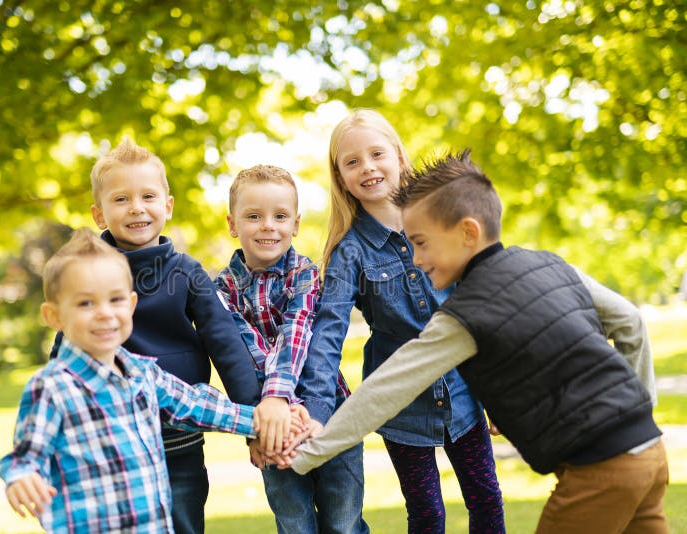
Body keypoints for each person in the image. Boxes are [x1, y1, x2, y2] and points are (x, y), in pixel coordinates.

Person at [287, 149, 669, 533]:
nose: (415, 259)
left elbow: (386, 388)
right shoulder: (551, 264)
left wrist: (305, 455)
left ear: (468, 232)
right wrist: (641, 409)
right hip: (650, 450)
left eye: (421, 242)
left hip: (599, 469)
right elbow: (630, 322)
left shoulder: (464, 315)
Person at [296, 109, 504, 533]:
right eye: (352, 162)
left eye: (377, 153)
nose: (367, 167)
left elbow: (488, 307)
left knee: (486, 499)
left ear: (399, 157)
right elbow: (327, 335)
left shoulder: (444, 221)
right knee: (427, 513)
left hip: (466, 392)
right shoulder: (348, 252)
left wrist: (502, 390)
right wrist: (316, 411)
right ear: (340, 177)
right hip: (400, 404)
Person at [50, 137, 261, 534]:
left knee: (183, 519)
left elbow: (224, 341)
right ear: (99, 214)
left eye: (148, 195)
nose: (136, 208)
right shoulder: (87, 272)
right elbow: (66, 347)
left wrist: (254, 418)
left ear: (167, 205)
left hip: (180, 433)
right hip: (114, 440)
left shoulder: (185, 271)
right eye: (121, 199)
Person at [0, 228, 261, 533]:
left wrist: (262, 421)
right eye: (86, 304)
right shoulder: (53, 387)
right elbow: (26, 454)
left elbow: (197, 405)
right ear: (54, 317)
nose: (105, 314)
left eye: (116, 300)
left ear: (132, 306)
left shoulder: (142, 373)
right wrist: (22, 476)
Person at [214, 164, 363, 533]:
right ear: (233, 224)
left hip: (331, 416)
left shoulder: (306, 274)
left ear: (295, 224)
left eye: (280, 216)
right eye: (254, 216)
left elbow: (295, 337)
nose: (268, 225)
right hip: (269, 430)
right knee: (294, 523)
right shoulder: (220, 290)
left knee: (343, 521)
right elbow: (243, 354)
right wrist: (261, 428)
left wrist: (287, 406)